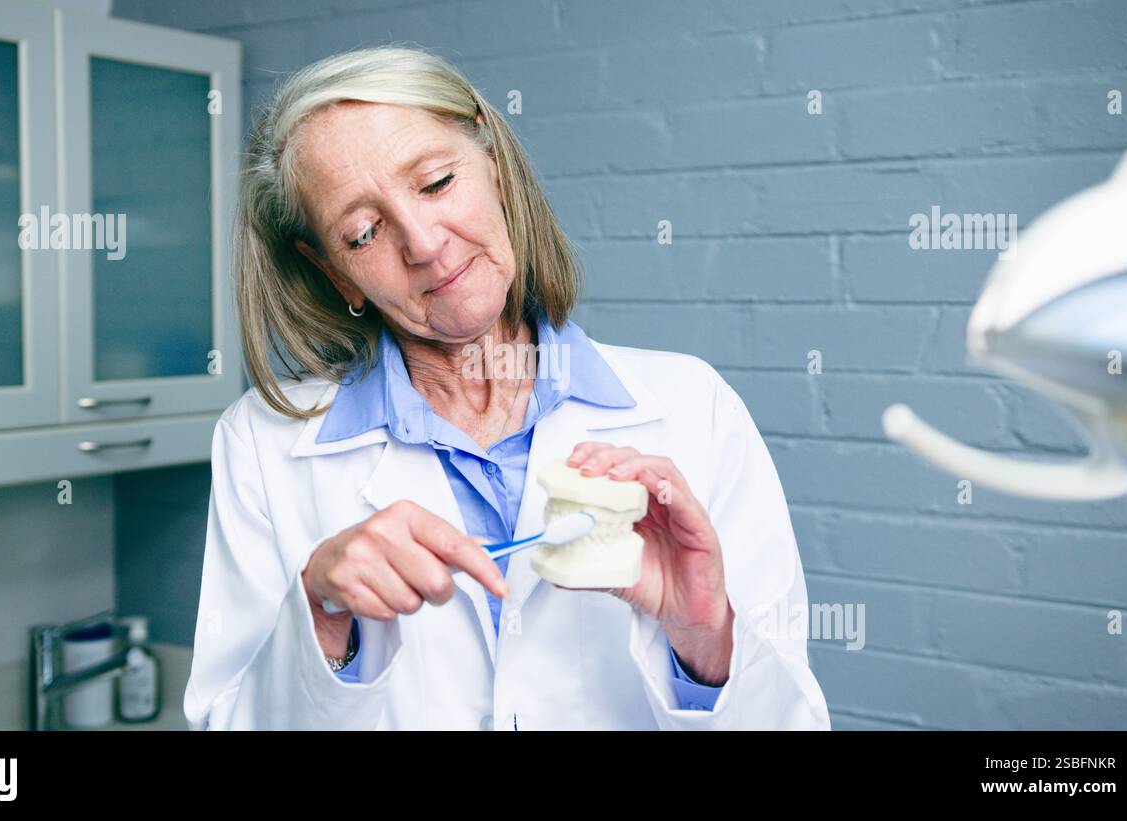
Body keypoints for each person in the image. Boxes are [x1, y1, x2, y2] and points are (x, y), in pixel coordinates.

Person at [184, 44, 830, 730]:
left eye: (435, 183)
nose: (425, 243)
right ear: (336, 272)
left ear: (493, 168)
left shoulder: (695, 410)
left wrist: (703, 634)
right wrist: (319, 617)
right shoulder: (260, 444)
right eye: (364, 231)